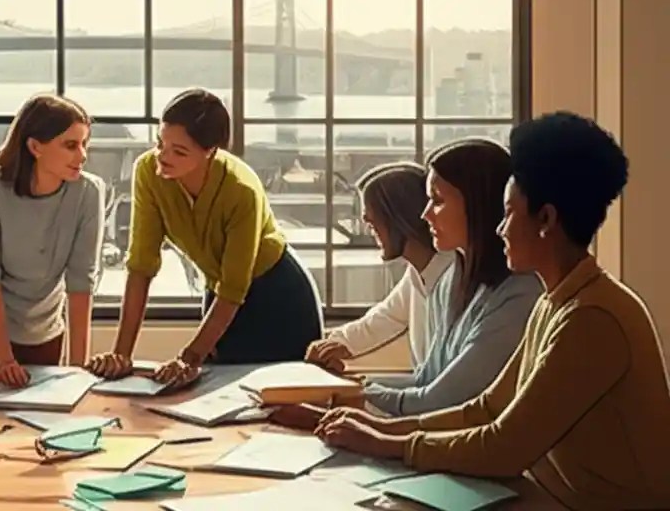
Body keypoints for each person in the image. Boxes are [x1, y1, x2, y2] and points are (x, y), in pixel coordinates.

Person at [316, 112, 670, 510]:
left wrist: (389, 442)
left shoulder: (592, 318)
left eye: (509, 213)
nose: (499, 228)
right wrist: (383, 429)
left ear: (546, 220)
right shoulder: (554, 302)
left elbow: (504, 446)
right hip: (549, 494)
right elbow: (485, 408)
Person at [277, 139, 541, 426]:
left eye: (437, 201)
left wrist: (347, 397)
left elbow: (440, 399)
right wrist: (343, 387)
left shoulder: (518, 295)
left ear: (477, 204)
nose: (425, 214)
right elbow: (423, 374)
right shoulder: (452, 280)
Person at [85, 89, 324, 386]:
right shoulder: (148, 172)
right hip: (219, 294)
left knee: (281, 399)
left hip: (279, 298)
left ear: (210, 150)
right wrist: (121, 356)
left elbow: (234, 287)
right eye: (160, 143)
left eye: (179, 151)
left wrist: (188, 358)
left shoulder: (241, 189)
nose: (163, 157)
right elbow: (141, 266)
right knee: (213, 393)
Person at [0, 94, 105, 387]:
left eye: (84, 144)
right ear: (35, 147)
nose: (82, 156)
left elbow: (81, 282)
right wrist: (4, 360)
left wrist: (79, 372)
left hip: (41, 328)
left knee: (45, 406)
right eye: (70, 145)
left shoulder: (89, 193)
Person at [306, 162, 456, 373]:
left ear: (399, 217)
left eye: (373, 217)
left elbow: (440, 382)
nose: (366, 221)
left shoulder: (453, 278)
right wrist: (336, 343)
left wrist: (364, 388)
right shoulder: (418, 273)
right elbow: (385, 318)